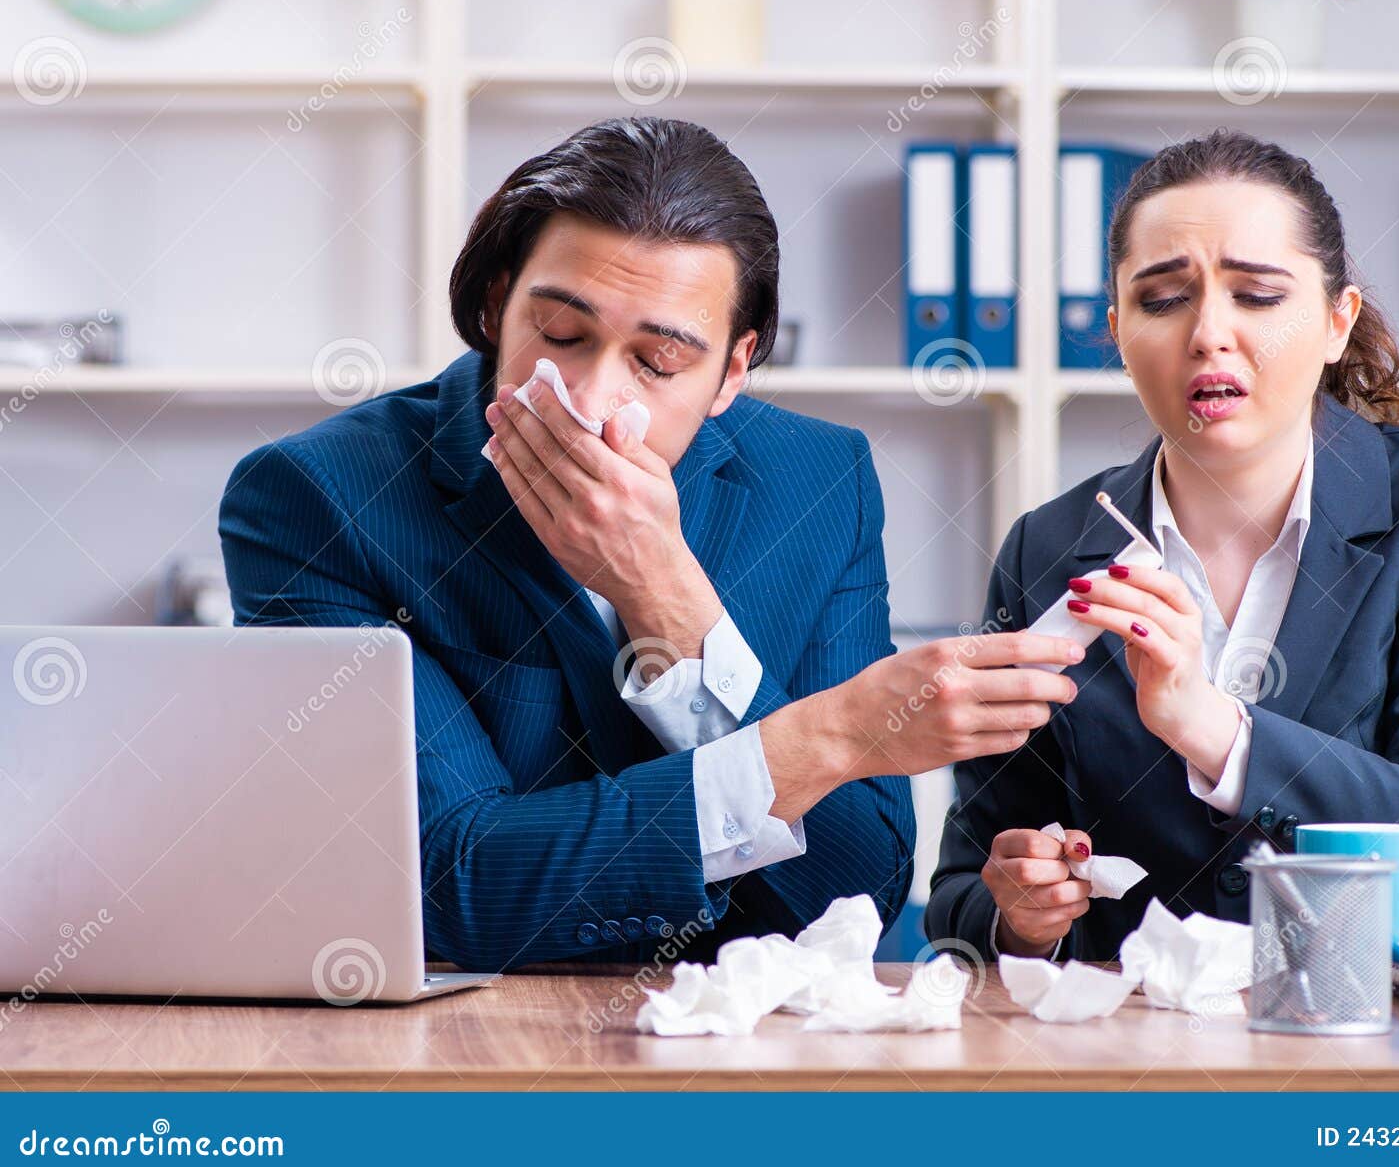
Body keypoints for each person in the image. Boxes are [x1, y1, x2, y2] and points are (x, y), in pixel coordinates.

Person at [220, 116, 1081, 971]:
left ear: (731, 372)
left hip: (750, 1056)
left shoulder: (820, 481)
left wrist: (667, 598)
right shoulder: (317, 498)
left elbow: (852, 898)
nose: (591, 400)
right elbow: (445, 884)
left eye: (658, 362)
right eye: (559, 336)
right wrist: (824, 739)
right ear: (495, 306)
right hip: (465, 1047)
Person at [927, 128, 1399, 960]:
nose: (1209, 332)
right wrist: (1019, 913)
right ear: (1117, 330)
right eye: (1163, 299)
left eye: (1256, 295)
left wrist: (1212, 728)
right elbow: (963, 888)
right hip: (1130, 1063)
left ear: (1335, 320)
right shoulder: (1050, 547)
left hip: (1378, 1043)